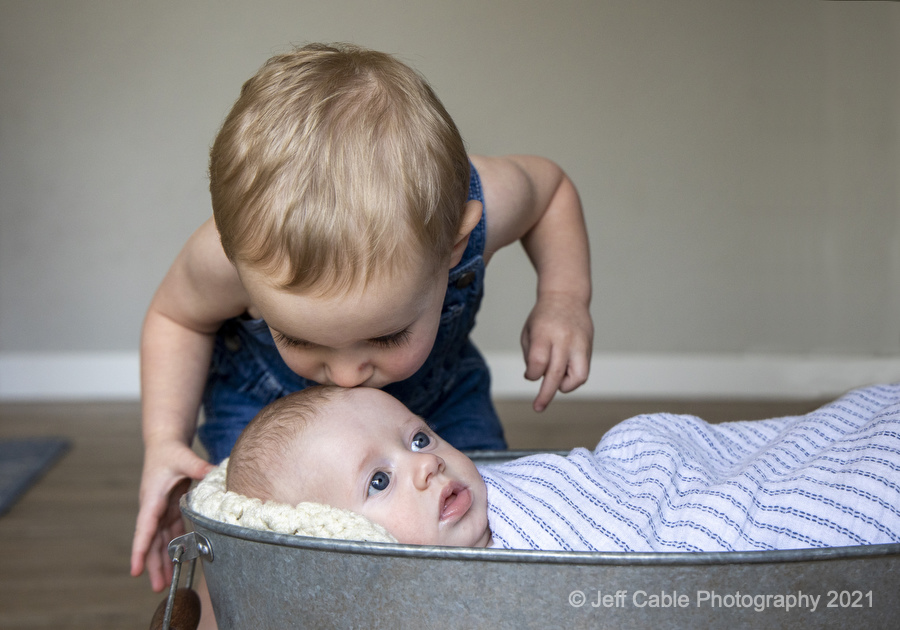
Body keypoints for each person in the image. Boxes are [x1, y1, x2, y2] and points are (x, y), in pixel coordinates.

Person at [131, 42, 593, 590]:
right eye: (300, 338)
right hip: (275, 414)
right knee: (252, 559)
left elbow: (552, 189)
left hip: (435, 402)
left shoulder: (486, 201)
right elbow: (177, 318)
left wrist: (563, 298)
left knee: (482, 525)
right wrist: (164, 440)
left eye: (387, 334)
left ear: (454, 245)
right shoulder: (226, 259)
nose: (348, 376)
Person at [220, 384, 900, 552]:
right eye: (378, 480)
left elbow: (637, 497)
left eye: (419, 439)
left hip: (665, 474)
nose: (424, 467)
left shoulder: (496, 507)